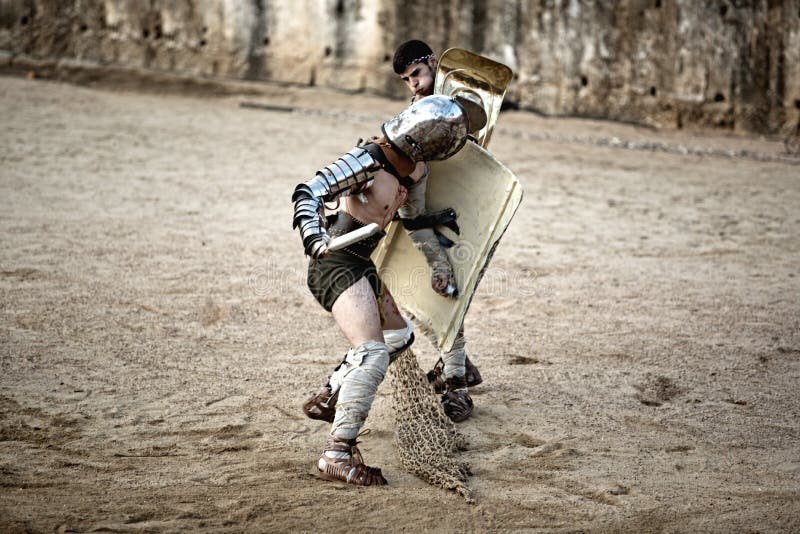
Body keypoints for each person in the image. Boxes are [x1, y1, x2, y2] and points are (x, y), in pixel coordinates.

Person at [292, 95, 483, 485]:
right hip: (334, 263)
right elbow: (308, 193)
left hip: (362, 264)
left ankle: (331, 396)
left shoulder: (414, 173)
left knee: (399, 335)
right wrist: (314, 239)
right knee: (373, 353)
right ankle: (337, 453)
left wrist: (440, 267)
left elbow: (415, 223)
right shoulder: (366, 161)